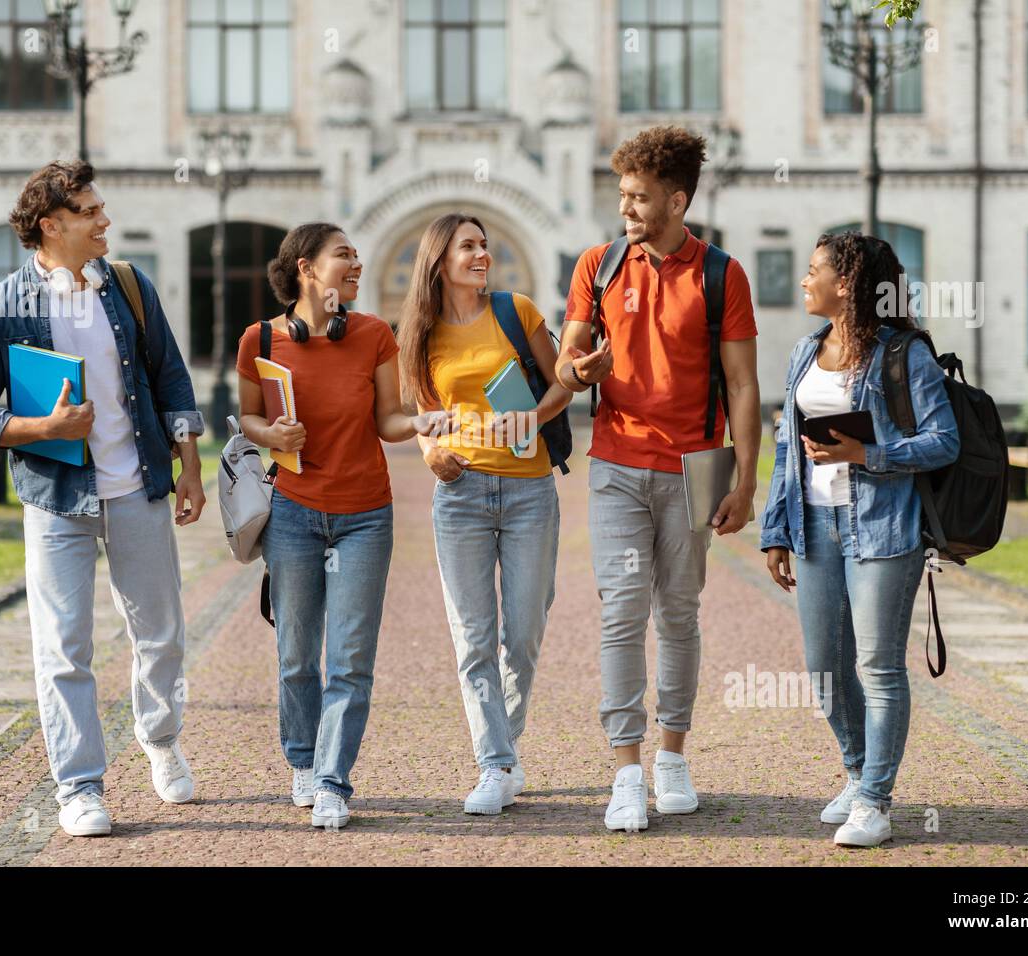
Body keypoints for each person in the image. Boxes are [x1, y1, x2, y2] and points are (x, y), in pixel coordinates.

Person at [0, 160, 206, 838]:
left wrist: (189, 465)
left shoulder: (127, 286)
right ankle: (79, 787)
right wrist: (44, 429)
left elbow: (172, 382)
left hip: (139, 489)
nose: (106, 221)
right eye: (92, 211)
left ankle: (160, 738)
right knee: (63, 648)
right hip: (55, 497)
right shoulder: (2, 305)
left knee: (161, 635)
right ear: (52, 224)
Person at [555, 126, 761, 831]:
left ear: (677, 200)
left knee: (678, 613)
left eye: (639, 197)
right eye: (621, 195)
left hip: (696, 467)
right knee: (621, 612)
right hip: (615, 464)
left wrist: (746, 481)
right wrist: (581, 371)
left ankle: (672, 754)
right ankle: (625, 771)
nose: (626, 208)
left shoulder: (721, 275)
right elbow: (566, 360)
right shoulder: (599, 265)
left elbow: (742, 383)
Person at [236, 222, 452, 829]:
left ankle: (333, 780)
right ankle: (302, 760)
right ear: (306, 268)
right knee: (297, 653)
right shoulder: (260, 339)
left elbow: (388, 419)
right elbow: (248, 419)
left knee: (352, 657)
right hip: (292, 513)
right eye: (343, 256)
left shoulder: (374, 334)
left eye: (358, 255)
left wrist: (423, 422)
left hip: (365, 515)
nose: (356, 264)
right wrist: (269, 434)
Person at [760, 232, 960, 847]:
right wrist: (775, 528)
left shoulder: (903, 355)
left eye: (814, 269)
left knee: (876, 665)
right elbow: (787, 447)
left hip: (880, 529)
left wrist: (866, 453)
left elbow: (943, 440)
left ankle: (875, 799)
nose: (805, 280)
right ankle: (855, 770)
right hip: (815, 526)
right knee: (824, 668)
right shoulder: (804, 350)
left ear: (845, 283)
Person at [397, 213, 571, 815]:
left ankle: (504, 745)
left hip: (529, 490)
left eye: (484, 245)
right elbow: (422, 413)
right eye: (467, 246)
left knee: (521, 634)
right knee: (473, 638)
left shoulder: (515, 311)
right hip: (462, 494)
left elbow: (562, 384)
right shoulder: (420, 333)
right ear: (439, 260)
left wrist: (533, 418)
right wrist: (429, 449)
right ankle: (495, 763)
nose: (481, 254)